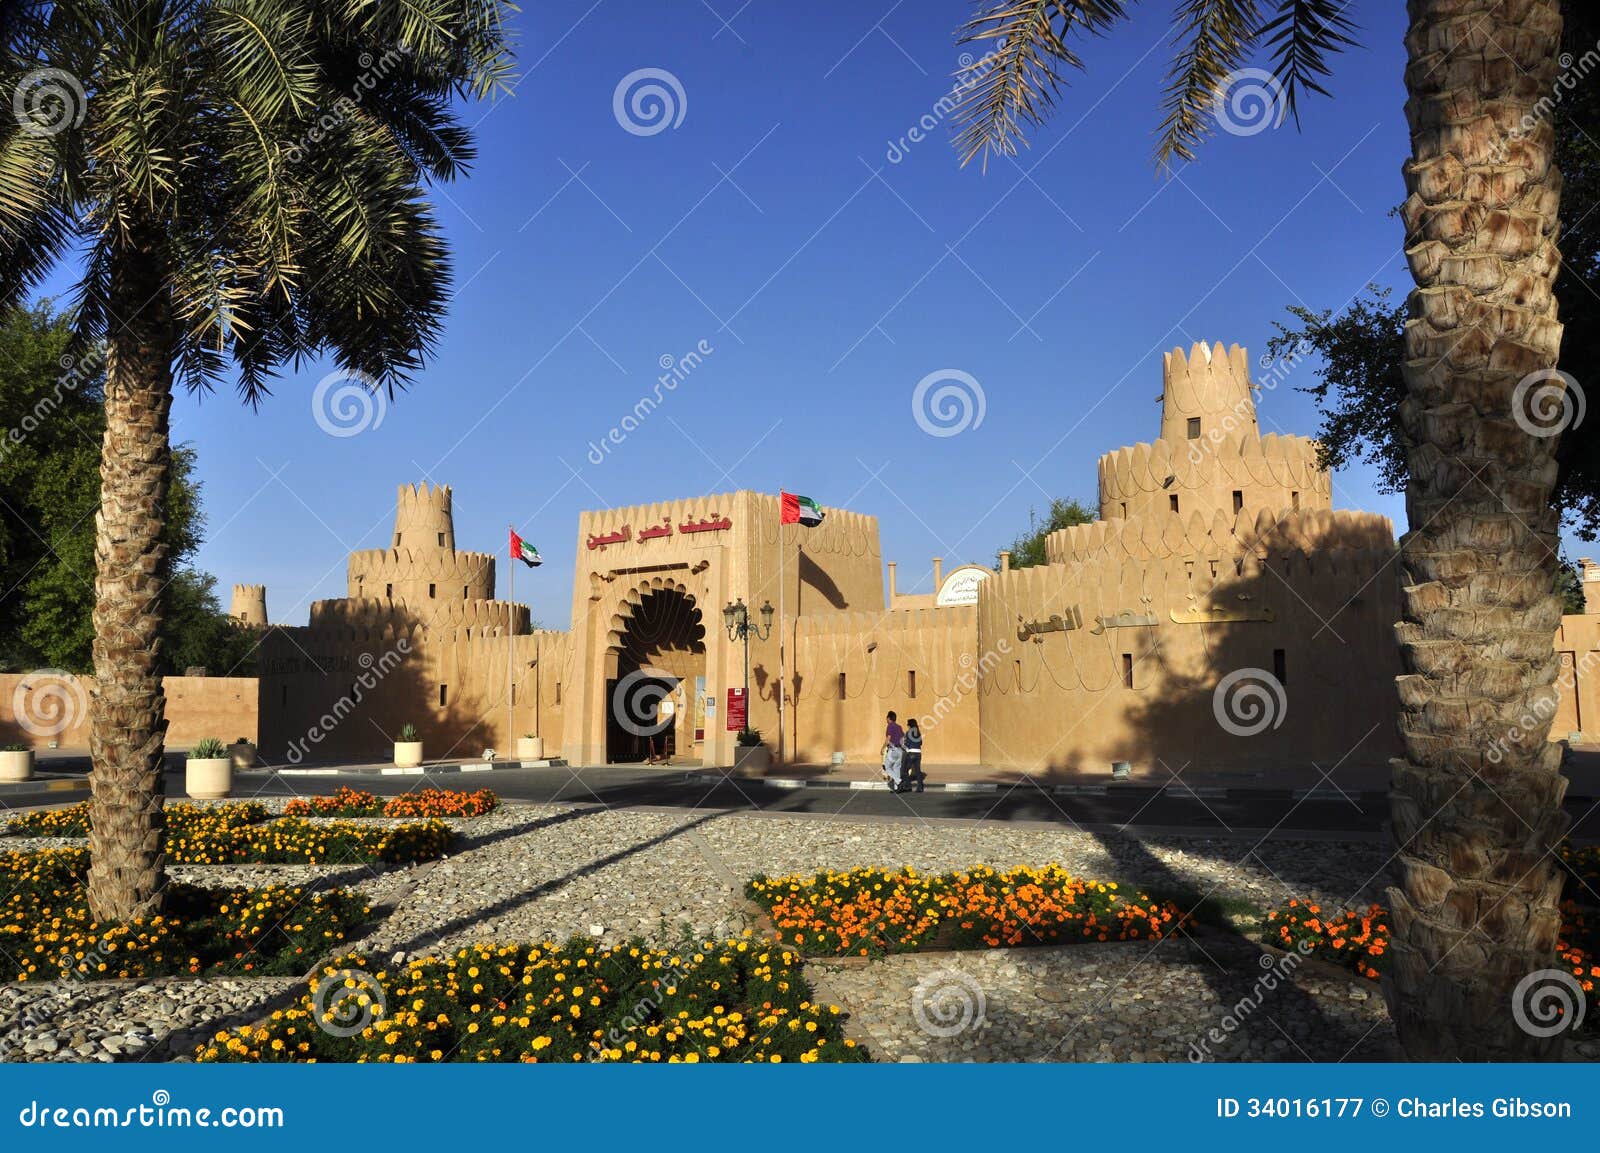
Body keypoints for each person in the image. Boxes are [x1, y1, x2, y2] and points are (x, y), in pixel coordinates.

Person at [882, 710, 905, 791]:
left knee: (887, 767)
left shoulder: (890, 726)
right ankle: (897, 788)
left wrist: (883, 748)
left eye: (886, 718)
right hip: (900, 750)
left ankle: (899, 781)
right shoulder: (899, 727)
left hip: (893, 750)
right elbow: (903, 738)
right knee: (896, 768)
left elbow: (888, 738)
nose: (886, 719)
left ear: (889, 718)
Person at [903, 717, 925, 792]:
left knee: (905, 770)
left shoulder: (908, 732)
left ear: (910, 725)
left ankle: (908, 786)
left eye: (907, 724)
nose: (907, 726)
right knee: (918, 771)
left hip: (911, 753)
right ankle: (920, 787)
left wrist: (904, 744)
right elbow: (921, 743)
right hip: (918, 753)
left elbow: (907, 744)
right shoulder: (918, 733)